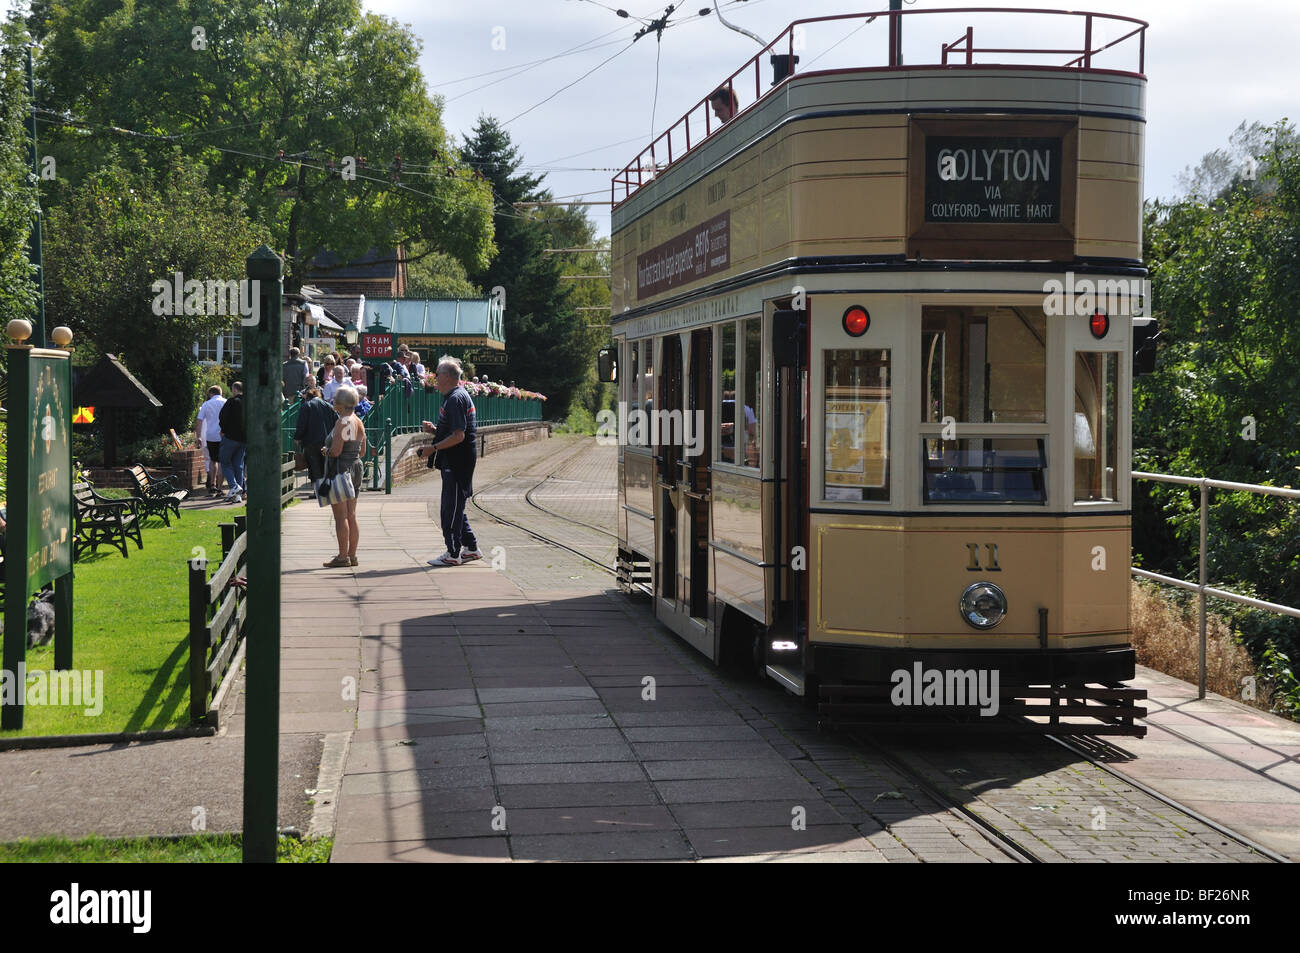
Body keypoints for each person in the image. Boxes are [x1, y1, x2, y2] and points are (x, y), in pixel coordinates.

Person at [417, 356, 481, 566]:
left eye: (437, 373)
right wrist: (435, 431)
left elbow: (459, 436)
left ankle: (453, 553)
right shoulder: (455, 396)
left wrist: (432, 448)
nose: (434, 377)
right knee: (456, 506)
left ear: (446, 376)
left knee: (449, 509)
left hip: (457, 461)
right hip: (457, 459)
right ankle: (471, 548)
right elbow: (456, 431)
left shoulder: (455, 399)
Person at [321, 385, 367, 568]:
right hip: (356, 467)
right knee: (352, 515)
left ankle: (342, 557)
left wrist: (326, 450)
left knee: (340, 517)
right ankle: (352, 555)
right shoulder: (358, 421)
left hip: (340, 470)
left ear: (340, 403)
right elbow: (362, 451)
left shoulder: (342, 421)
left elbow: (336, 451)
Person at [294, 378, 338, 485]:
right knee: (325, 465)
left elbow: (301, 424)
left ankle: (317, 491)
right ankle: (327, 488)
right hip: (326, 441)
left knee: (314, 467)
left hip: (310, 442)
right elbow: (337, 423)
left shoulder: (306, 406)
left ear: (308, 397)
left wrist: (297, 437)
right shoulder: (329, 406)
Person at [217, 381, 247, 503]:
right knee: (238, 466)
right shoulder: (249, 402)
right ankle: (238, 495)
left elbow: (222, 417)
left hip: (230, 437)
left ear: (234, 389)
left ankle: (234, 486)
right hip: (244, 439)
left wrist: (223, 430)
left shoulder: (232, 402)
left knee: (224, 462)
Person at [195, 384, 226, 495]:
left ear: (210, 393)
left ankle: (212, 485)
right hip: (223, 436)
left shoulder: (206, 404)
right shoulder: (226, 402)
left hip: (211, 436)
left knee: (213, 461)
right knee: (222, 462)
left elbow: (199, 420)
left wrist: (198, 436)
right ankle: (220, 488)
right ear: (220, 392)